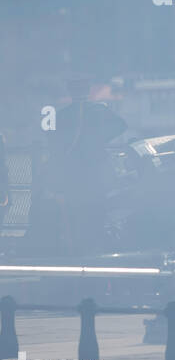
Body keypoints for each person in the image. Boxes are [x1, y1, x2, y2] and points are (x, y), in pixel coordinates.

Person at [28, 78, 127, 256]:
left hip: (71, 174)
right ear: (88, 90)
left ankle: (74, 249)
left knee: (73, 212)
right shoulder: (99, 110)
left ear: (70, 92)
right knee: (97, 210)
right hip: (95, 173)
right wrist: (97, 140)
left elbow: (52, 139)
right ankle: (95, 249)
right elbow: (121, 126)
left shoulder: (62, 115)